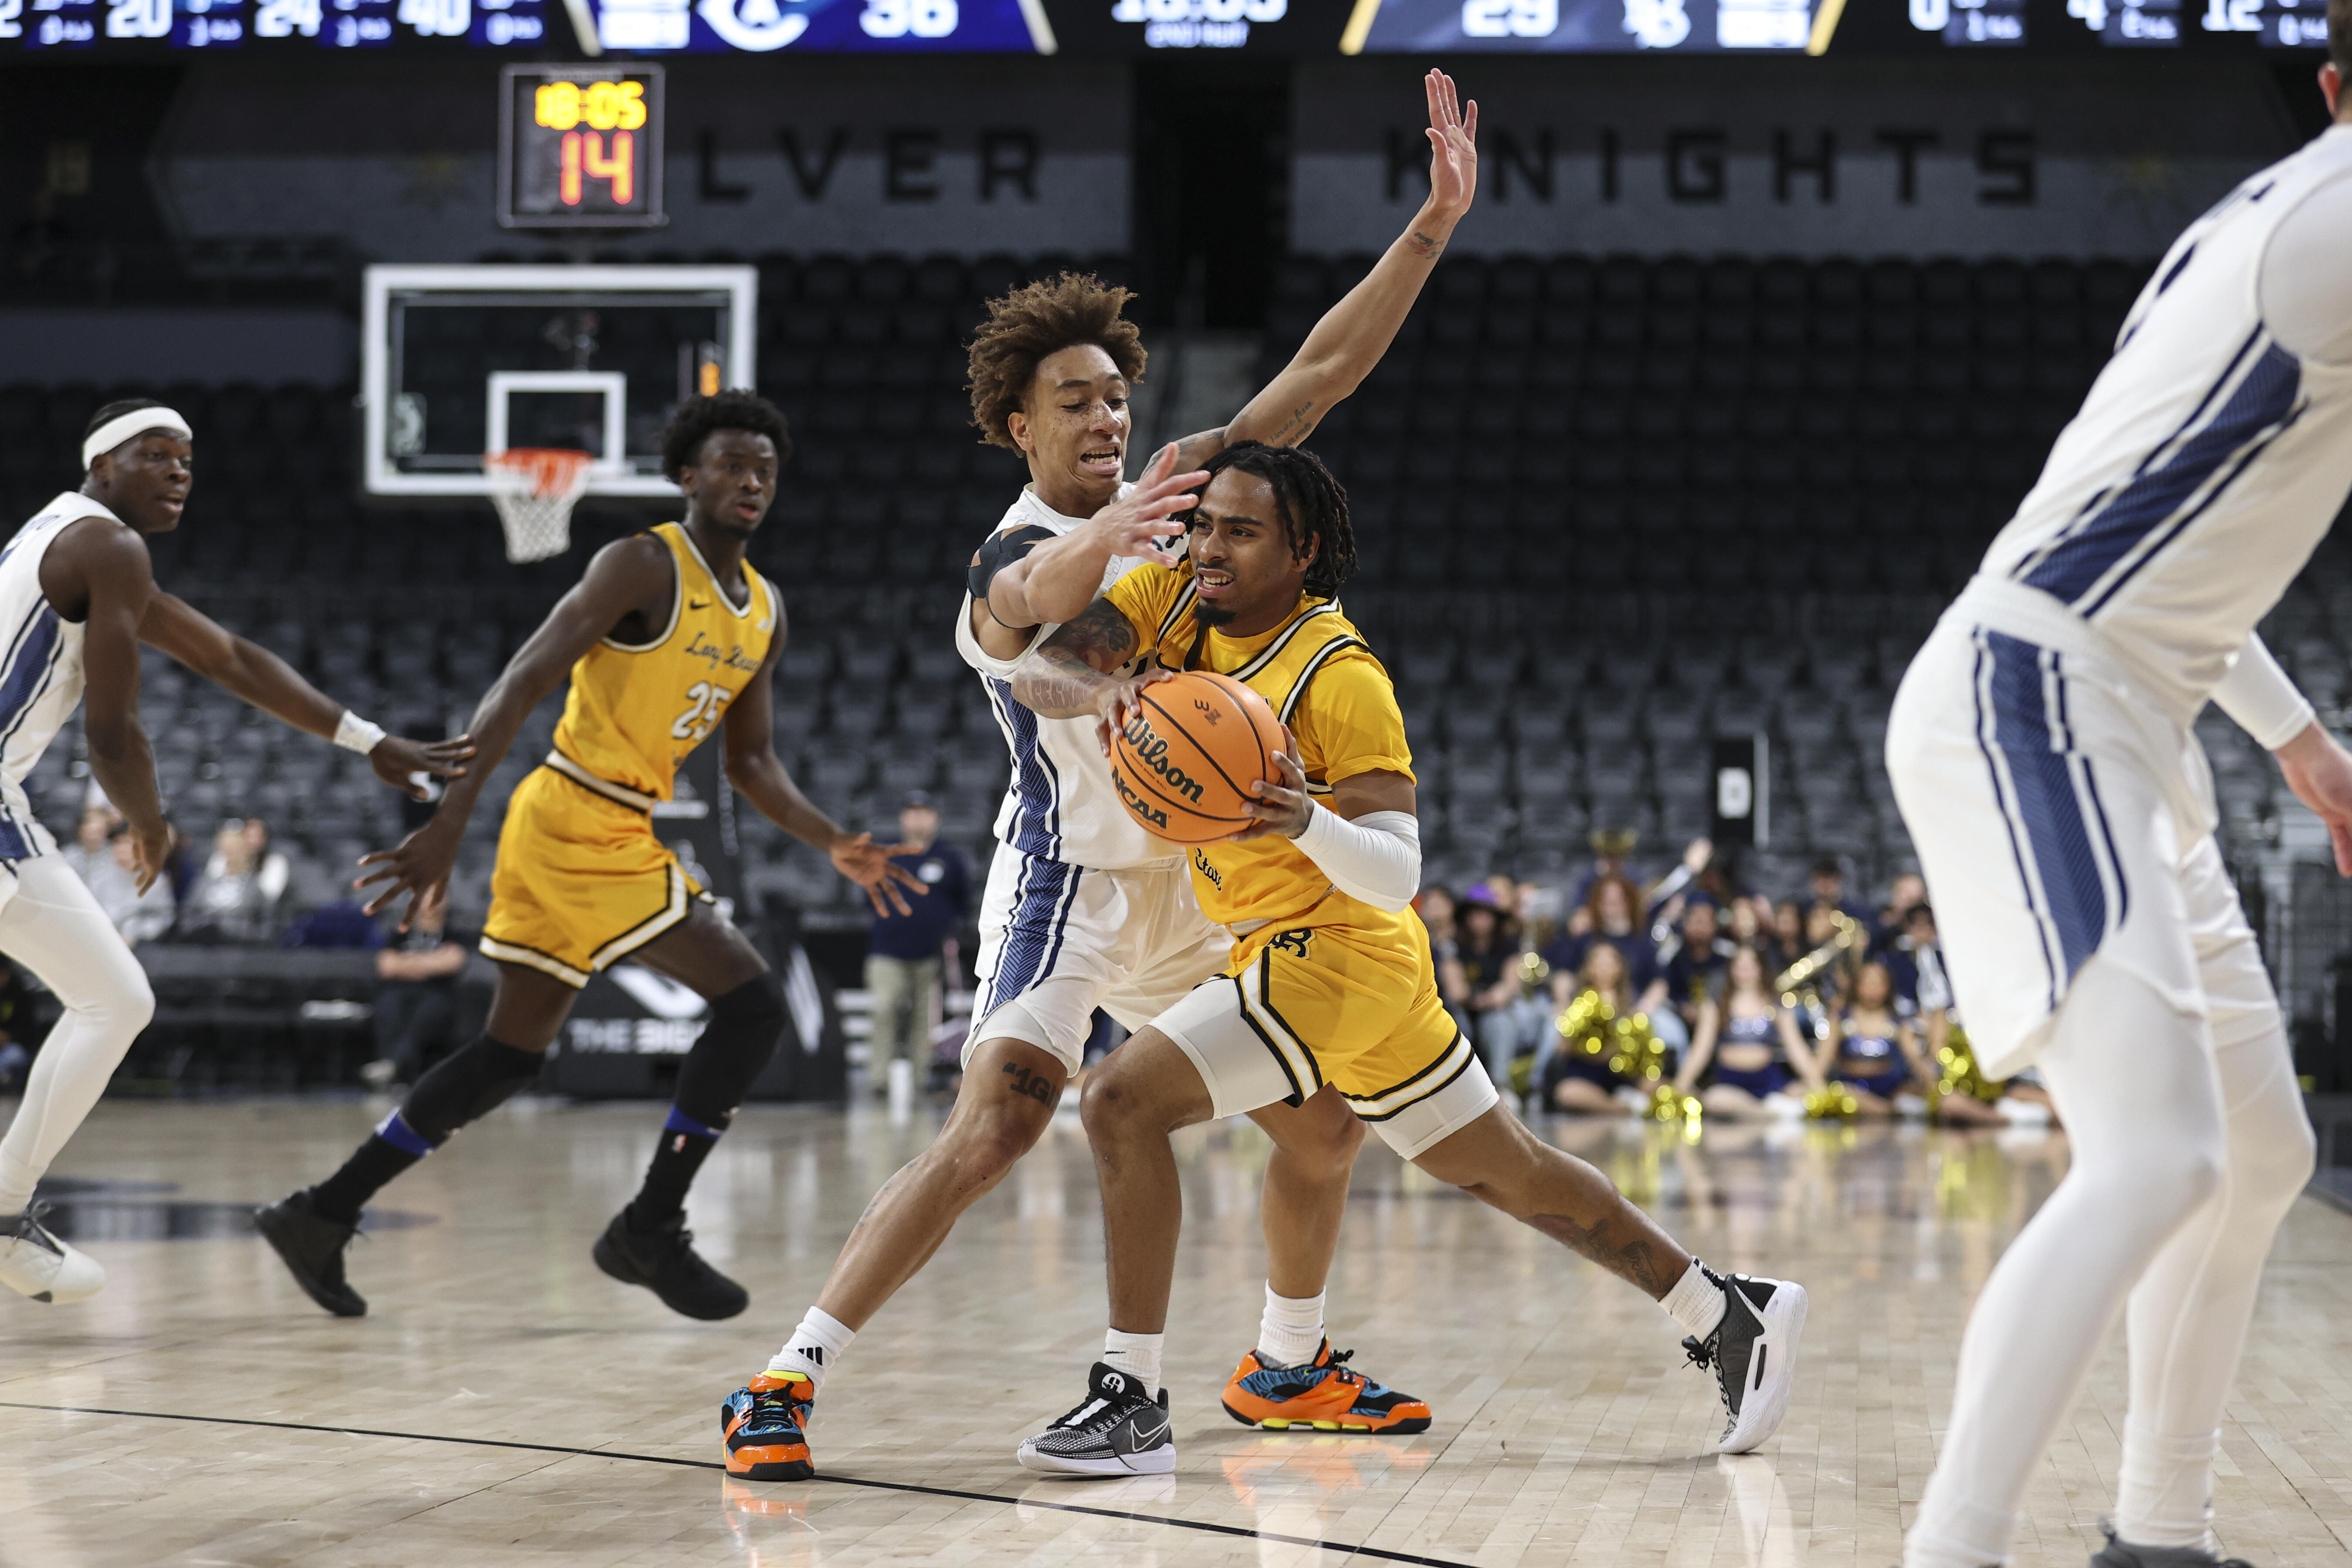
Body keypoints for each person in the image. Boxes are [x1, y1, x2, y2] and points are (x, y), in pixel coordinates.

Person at [718, 71, 1484, 1487]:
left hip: (1201, 883)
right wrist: (1121, 559)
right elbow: (1039, 627)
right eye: (1073, 400)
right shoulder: (1008, 555)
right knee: (998, 1123)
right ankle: (784, 1376)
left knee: (1324, 1120)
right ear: (1017, 424)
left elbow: (1320, 373)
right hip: (1066, 883)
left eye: (1117, 397)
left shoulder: (1185, 497)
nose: (1105, 417)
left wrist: (1431, 224)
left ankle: (1287, 1361)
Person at [991, 441, 1805, 1477]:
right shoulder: (1169, 597)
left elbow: (1396, 870)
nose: (1210, 547)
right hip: (1314, 956)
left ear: (1304, 549)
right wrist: (1111, 694)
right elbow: (1039, 670)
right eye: (1202, 524)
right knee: (1507, 1168)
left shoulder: (1339, 674)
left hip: (1336, 949)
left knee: (1118, 1101)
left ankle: (1131, 1395)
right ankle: (1724, 1310)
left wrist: (1303, 818)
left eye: (1242, 531)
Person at [1883, 40, 2352, 1568]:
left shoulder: (2268, 217)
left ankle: (2158, 1534)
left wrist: (2302, 742)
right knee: (2158, 1154)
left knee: (2256, 1150)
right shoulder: (2330, 219)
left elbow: (2166, 534)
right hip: (2035, 700)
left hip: (2130, 714)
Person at [257, 391, 921, 1323]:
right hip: (575, 818)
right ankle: (650, 1225)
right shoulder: (643, 562)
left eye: (765, 469)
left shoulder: (765, 609)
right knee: (754, 1006)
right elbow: (523, 678)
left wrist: (834, 841)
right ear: (687, 475)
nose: (751, 481)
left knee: (505, 1059)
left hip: (609, 826)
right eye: (731, 464)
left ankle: (322, 1211)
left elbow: (752, 763)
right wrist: (447, 822)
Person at [0, 398, 468, 1306]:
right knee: (112, 998)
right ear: (102, 464)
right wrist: (152, 826)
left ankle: (5, 1210)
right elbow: (112, 733)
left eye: (186, 456)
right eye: (155, 453)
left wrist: (369, 739)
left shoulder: (84, 544)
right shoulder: (106, 545)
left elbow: (229, 658)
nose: (180, 470)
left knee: (115, 997)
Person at [862, 791, 970, 1094]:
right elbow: (867, 896)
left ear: (936, 818)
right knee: (884, 1009)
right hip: (887, 950)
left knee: (925, 1018)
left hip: (930, 953)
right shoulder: (885, 855)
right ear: (902, 818)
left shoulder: (949, 858)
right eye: (913, 812)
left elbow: (963, 901)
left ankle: (922, 1080)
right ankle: (879, 1080)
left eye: (925, 812)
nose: (919, 818)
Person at [1674, 945, 1821, 1120]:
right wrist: (1679, 1086)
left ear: (1760, 968)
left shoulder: (1775, 1006)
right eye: (1739, 967)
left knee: (1804, 1092)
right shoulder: (1717, 1006)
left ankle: (1761, 1110)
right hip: (1730, 1084)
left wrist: (1818, 1085)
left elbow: (1797, 1048)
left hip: (1768, 1081)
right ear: (1731, 970)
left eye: (1750, 966)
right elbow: (1700, 1049)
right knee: (1714, 1100)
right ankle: (1767, 1114)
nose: (1745, 972)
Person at [361, 902, 473, 1090]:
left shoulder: (453, 934)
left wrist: (409, 963)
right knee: (388, 1007)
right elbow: (386, 967)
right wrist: (430, 964)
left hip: (438, 992)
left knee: (427, 1012)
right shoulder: (401, 933)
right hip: (399, 990)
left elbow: (453, 963)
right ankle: (393, 1069)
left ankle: (392, 1066)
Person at [1540, 942, 1657, 1115]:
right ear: (1588, 968)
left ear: (1620, 968)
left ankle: (1627, 1100)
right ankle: (1621, 1108)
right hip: (1585, 1074)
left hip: (1621, 1074)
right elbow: (1562, 1047)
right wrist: (1590, 1050)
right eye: (1598, 963)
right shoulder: (1578, 1002)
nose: (1604, 969)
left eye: (1610, 963)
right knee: (1567, 1094)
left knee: (1656, 1084)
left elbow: (1637, 1048)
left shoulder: (1630, 1003)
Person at [1821, 960, 1933, 1117]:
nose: (1873, 988)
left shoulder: (1899, 1023)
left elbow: (1914, 1058)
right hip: (1850, 1089)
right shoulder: (1840, 1021)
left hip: (1891, 1090)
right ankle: (1885, 1111)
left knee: (1913, 1097)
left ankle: (1884, 1109)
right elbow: (1822, 1063)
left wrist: (1934, 1085)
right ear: (1856, 985)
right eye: (1867, 982)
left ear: (1888, 986)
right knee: (1841, 1094)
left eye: (1879, 983)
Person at [1456, 883, 1527, 1084]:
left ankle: (1500, 1084)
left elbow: (1510, 986)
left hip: (1495, 1009)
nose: (1481, 920)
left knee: (1500, 1022)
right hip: (1462, 1010)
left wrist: (1489, 999)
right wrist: (1474, 999)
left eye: (1486, 914)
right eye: (1476, 914)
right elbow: (1457, 991)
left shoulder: (1508, 945)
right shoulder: (1455, 946)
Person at [177, 816, 281, 941]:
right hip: (202, 942)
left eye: (236, 848)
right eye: (227, 849)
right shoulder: (205, 882)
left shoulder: (254, 887)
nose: (232, 854)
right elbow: (187, 914)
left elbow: (265, 924)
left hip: (237, 944)